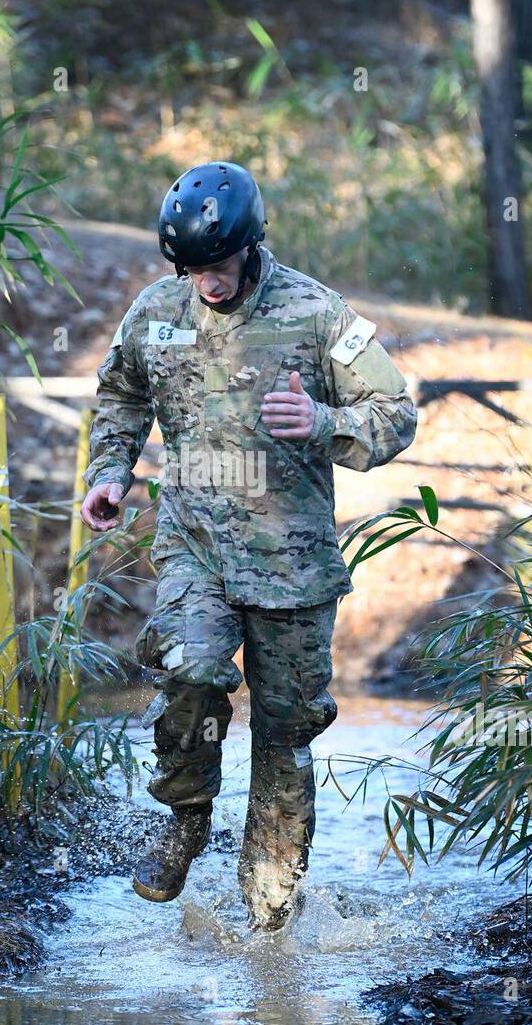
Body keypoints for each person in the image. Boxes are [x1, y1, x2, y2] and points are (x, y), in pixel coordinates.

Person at [80, 161, 417, 928]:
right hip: (195, 547)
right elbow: (122, 390)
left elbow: (395, 410)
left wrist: (328, 425)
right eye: (194, 270)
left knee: (286, 734)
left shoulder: (315, 312)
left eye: (221, 266)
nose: (210, 284)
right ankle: (187, 816)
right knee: (192, 671)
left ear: (252, 244)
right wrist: (111, 470)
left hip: (293, 566)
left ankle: (269, 917)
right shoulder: (156, 312)